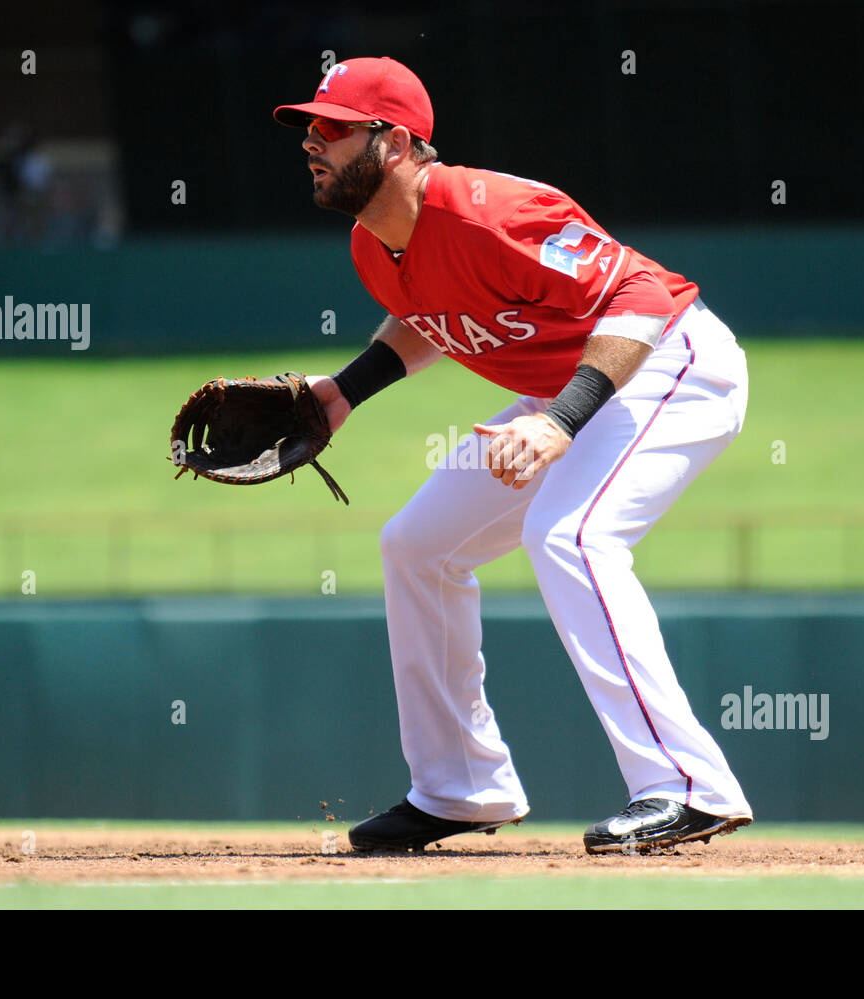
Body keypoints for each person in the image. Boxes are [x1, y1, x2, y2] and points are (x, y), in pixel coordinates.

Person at [274, 57, 754, 854]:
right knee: (417, 546)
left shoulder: (490, 209)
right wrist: (343, 393)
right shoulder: (372, 244)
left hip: (672, 362)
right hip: (574, 391)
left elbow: (637, 296)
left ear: (392, 142)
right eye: (309, 129)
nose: (311, 144)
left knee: (571, 536)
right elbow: (435, 312)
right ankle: (460, 788)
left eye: (331, 127)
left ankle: (687, 784)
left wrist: (562, 420)